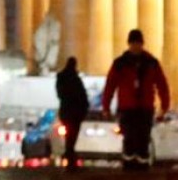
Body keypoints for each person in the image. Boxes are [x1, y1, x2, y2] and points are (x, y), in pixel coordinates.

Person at [102, 28, 170, 171]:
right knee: (129, 138)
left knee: (143, 138)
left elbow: (162, 85)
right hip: (128, 107)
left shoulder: (151, 63)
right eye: (133, 43)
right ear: (129, 44)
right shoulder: (120, 64)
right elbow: (110, 86)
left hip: (144, 107)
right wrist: (106, 106)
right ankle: (129, 164)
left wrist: (164, 105)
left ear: (141, 44)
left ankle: (141, 165)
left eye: (137, 43)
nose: (135, 46)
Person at [55, 56, 89, 168]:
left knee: (69, 135)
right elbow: (82, 96)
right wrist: (84, 108)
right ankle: (70, 155)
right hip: (75, 112)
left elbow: (60, 95)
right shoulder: (75, 79)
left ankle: (69, 154)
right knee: (72, 135)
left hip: (66, 111)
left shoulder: (61, 78)